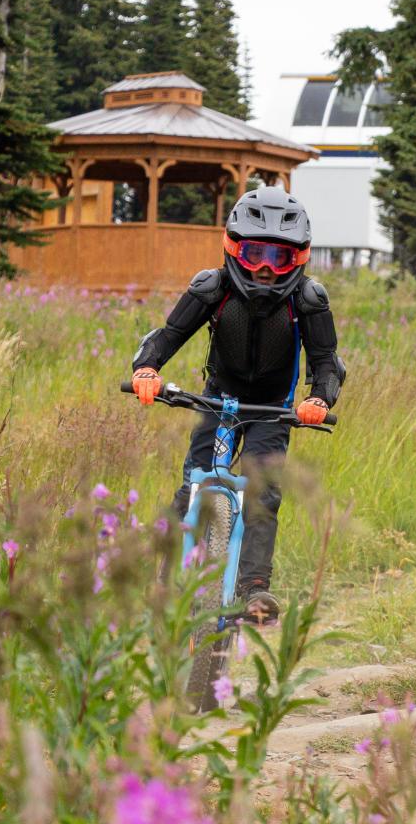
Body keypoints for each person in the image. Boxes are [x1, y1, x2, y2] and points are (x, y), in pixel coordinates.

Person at [128, 186, 345, 623]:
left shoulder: (308, 299)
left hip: (274, 407)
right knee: (193, 483)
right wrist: (147, 370)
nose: (265, 268)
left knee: (263, 493)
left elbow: (326, 361)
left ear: (298, 258)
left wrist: (318, 398)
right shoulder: (213, 287)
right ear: (232, 247)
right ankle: (165, 577)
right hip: (219, 400)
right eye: (254, 253)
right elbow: (166, 336)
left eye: (278, 257)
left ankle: (253, 589)